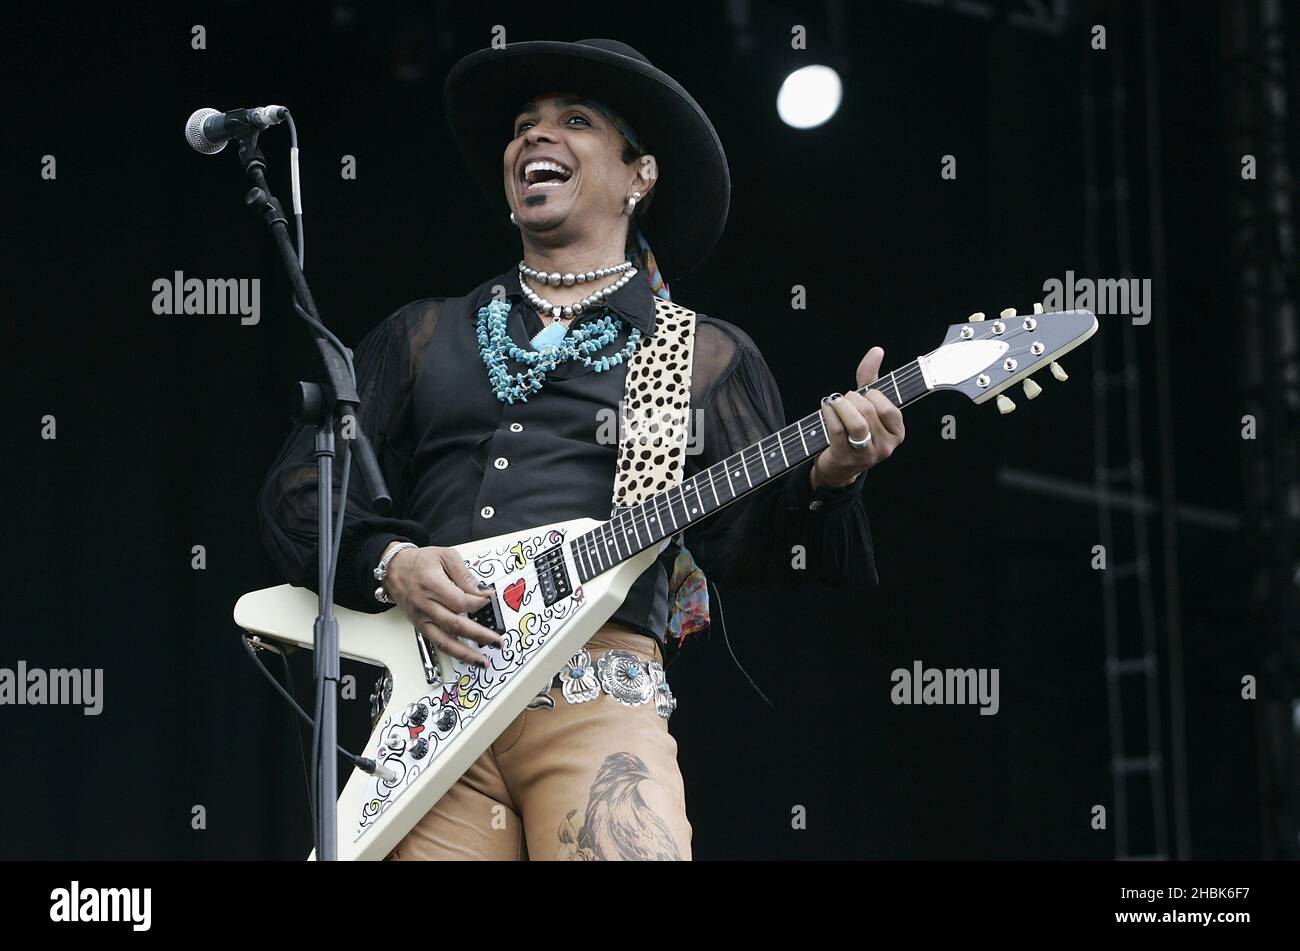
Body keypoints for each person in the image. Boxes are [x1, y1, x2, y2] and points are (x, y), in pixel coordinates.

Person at [258, 38, 905, 861]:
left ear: (640, 175)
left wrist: (832, 476)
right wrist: (392, 559)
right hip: (431, 717)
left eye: (573, 121)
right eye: (522, 126)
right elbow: (296, 490)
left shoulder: (698, 354)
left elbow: (749, 548)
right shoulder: (422, 333)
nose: (534, 137)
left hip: (598, 700)